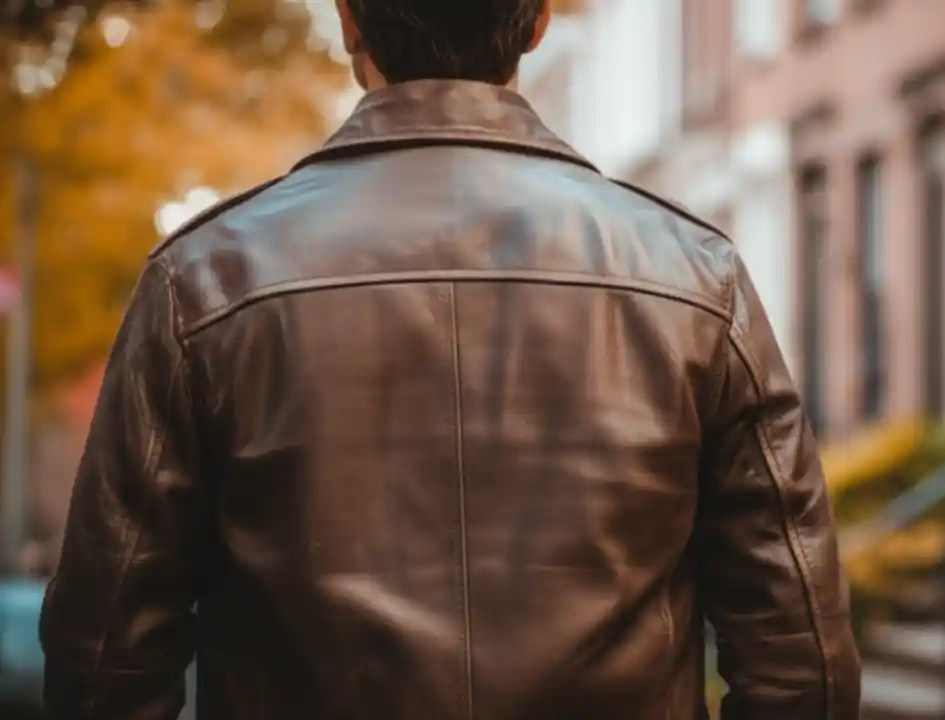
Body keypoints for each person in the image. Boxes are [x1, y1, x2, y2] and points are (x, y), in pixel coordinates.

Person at [40, 1, 861, 718]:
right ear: (538, 22)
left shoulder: (203, 281)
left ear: (348, 18)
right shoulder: (692, 275)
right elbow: (799, 652)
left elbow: (107, 649)